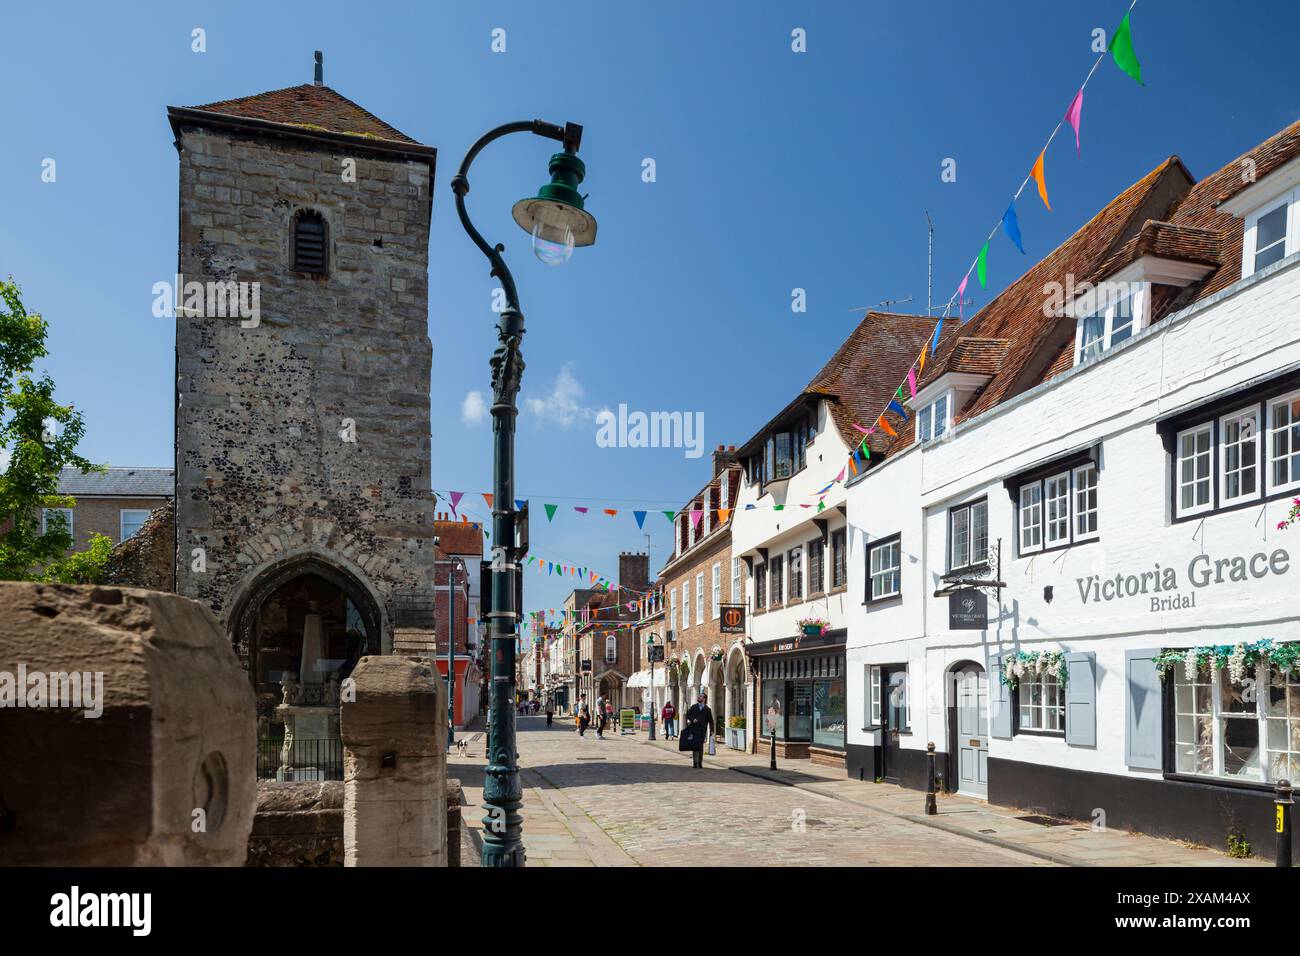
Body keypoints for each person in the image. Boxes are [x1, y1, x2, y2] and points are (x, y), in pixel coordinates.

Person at [684, 692, 715, 769]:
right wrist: (692, 719)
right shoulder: (694, 707)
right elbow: (688, 715)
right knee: (695, 746)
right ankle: (695, 762)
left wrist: (712, 730)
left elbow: (711, 721)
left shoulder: (707, 709)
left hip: (702, 730)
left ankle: (700, 763)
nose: (699, 697)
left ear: (704, 699)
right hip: (694, 728)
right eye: (699, 696)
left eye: (701, 696)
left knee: (700, 746)